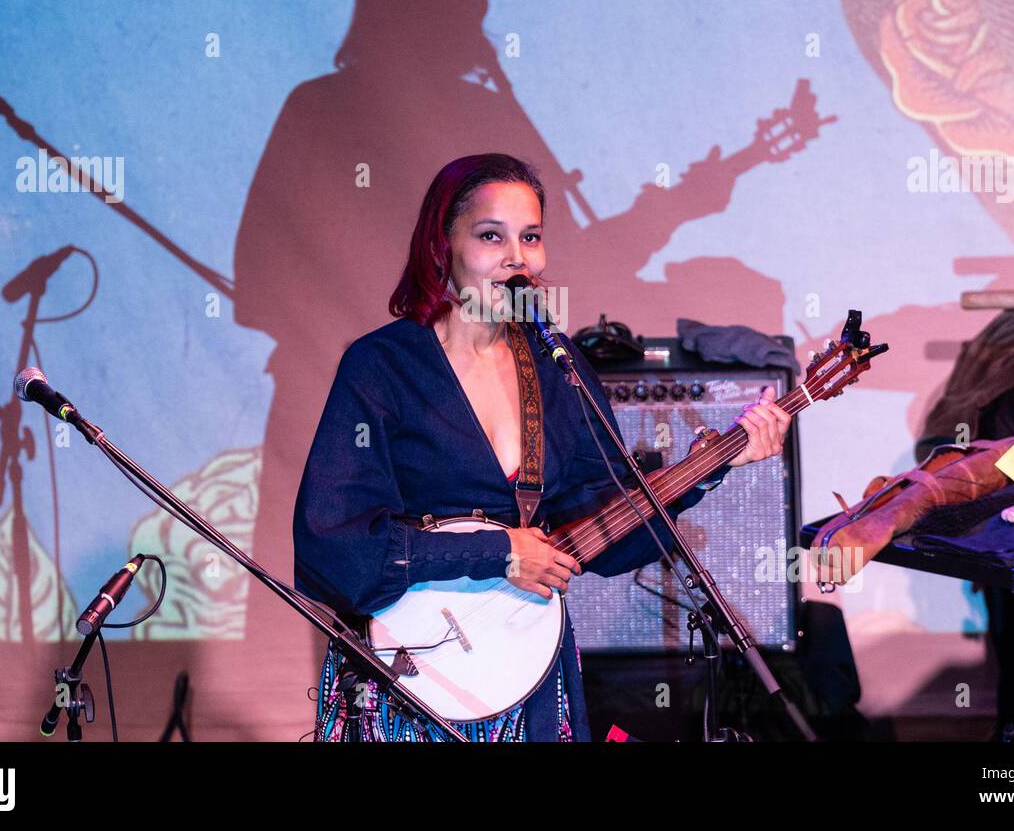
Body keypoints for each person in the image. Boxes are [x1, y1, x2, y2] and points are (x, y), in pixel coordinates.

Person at [293, 152, 792, 741]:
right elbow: (334, 546)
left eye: (530, 237)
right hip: (410, 681)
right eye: (490, 236)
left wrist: (712, 467)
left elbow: (602, 535)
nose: (516, 258)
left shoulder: (555, 367)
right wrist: (495, 551)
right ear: (441, 247)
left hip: (528, 671)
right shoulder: (383, 366)